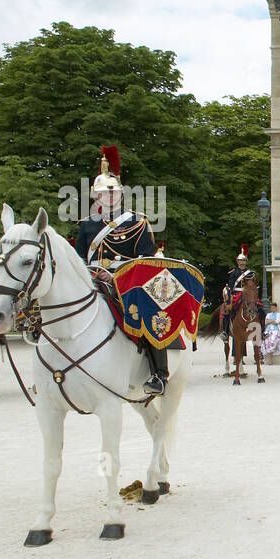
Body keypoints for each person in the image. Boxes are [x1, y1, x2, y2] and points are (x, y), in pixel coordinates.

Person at [76, 145, 168, 395]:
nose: (109, 197)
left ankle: (158, 374)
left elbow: (146, 262)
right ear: (96, 197)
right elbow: (78, 259)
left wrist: (115, 275)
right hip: (92, 280)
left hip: (125, 282)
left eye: (113, 193)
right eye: (103, 194)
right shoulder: (87, 225)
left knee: (149, 313)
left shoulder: (137, 222)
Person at [222, 246, 263, 339]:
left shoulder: (250, 273)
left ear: (246, 262)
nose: (242, 262)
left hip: (248, 294)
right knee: (228, 310)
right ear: (237, 262)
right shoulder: (233, 273)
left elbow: (253, 285)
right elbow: (231, 284)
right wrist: (231, 293)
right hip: (237, 294)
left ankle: (262, 331)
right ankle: (225, 331)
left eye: (244, 261)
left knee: (260, 309)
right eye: (240, 260)